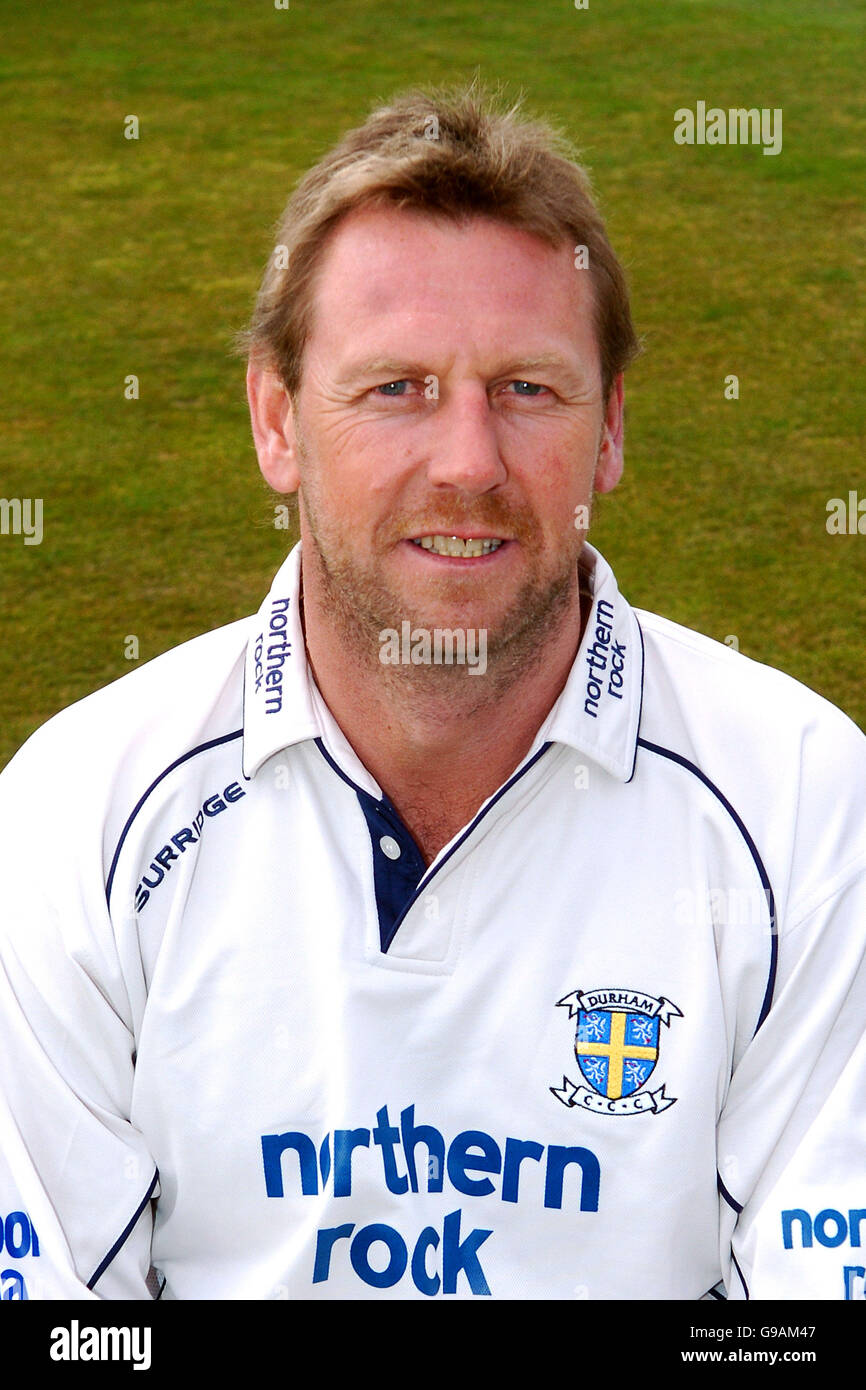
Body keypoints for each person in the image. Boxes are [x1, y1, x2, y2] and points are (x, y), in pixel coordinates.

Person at [1, 83, 864, 1304]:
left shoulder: (801, 804)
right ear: (276, 421)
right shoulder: (71, 816)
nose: (466, 463)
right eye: (394, 387)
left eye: (526, 389)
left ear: (608, 429)